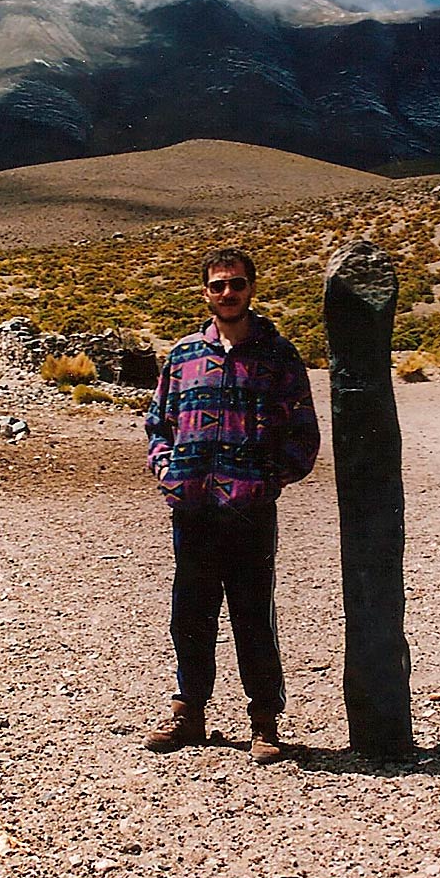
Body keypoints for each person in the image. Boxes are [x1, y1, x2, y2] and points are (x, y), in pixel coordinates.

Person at [143, 246, 320, 764]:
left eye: (236, 284)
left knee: (252, 612)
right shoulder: (182, 358)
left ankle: (264, 720)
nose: (227, 293)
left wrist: (267, 482)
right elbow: (158, 424)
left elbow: (303, 434)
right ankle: (189, 711)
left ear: (251, 289)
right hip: (193, 505)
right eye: (218, 285)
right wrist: (168, 473)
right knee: (191, 611)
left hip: (249, 508)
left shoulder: (278, 356)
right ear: (206, 292)